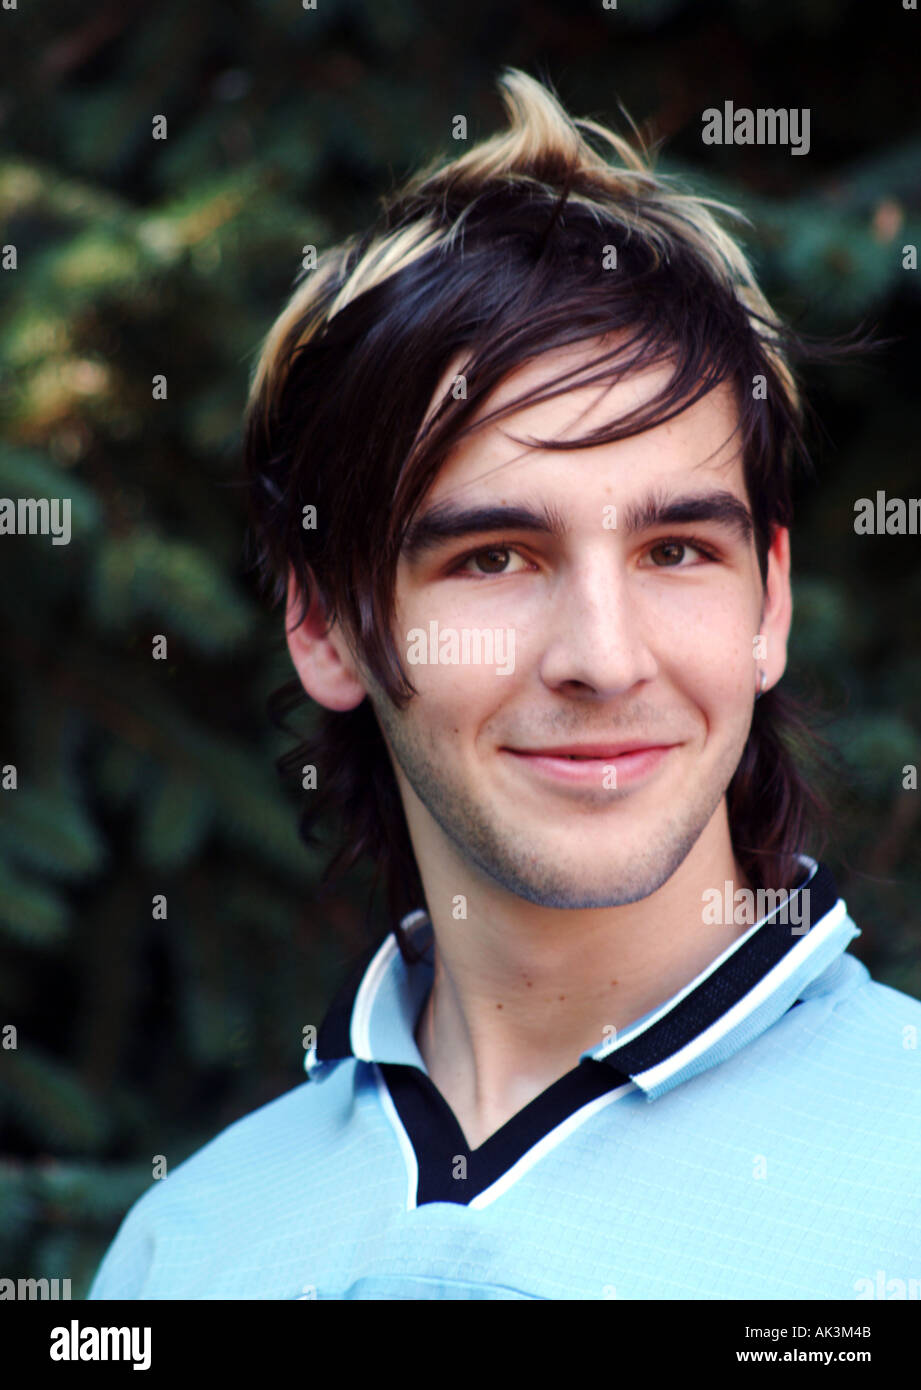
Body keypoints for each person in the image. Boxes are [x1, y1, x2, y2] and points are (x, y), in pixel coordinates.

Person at [87, 67, 921, 1301]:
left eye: (676, 550)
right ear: (326, 624)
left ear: (770, 602)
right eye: (494, 557)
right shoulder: (188, 1250)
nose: (604, 655)